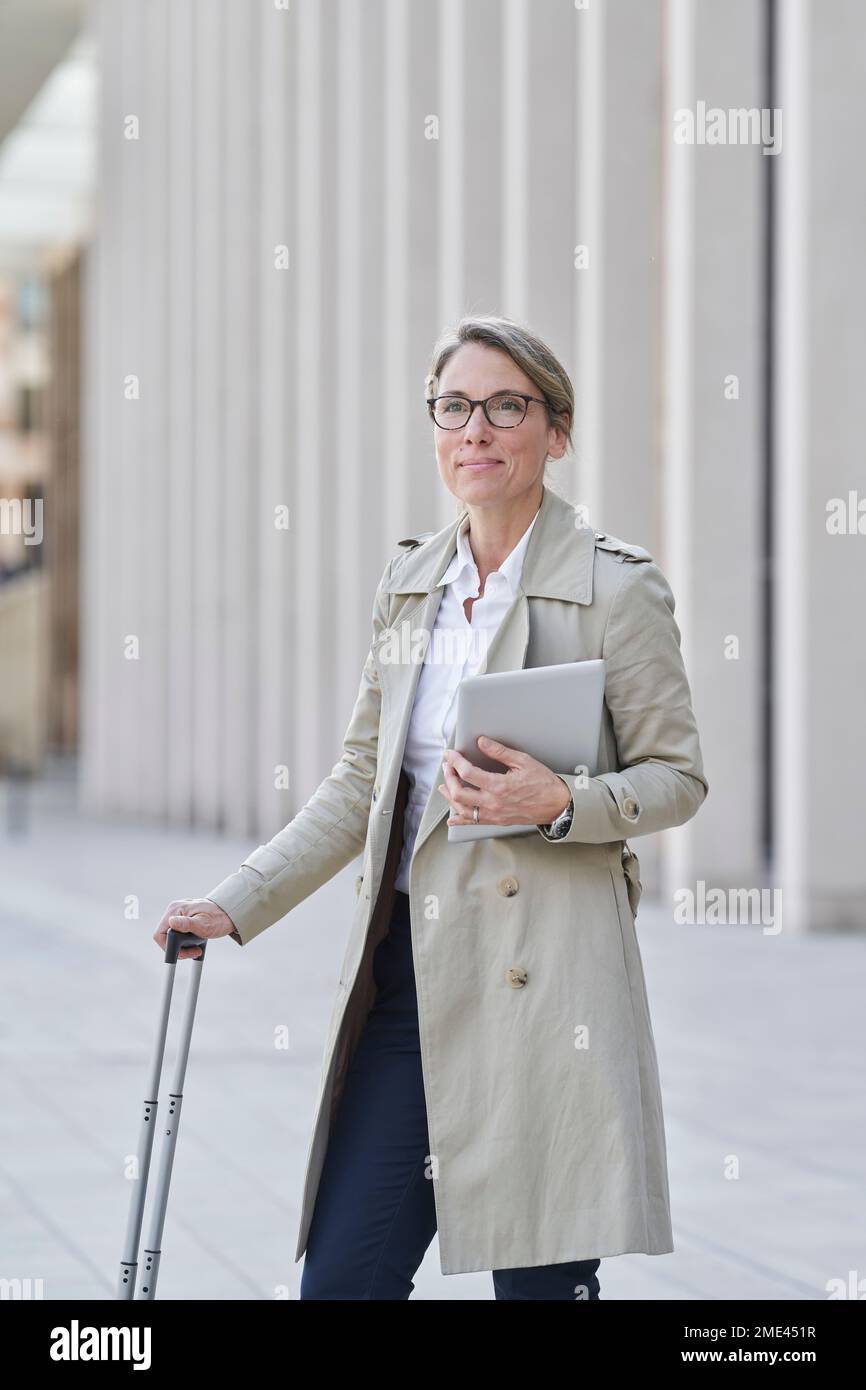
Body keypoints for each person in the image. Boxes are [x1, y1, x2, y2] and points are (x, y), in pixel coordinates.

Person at [154, 314, 709, 1300]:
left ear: (555, 431)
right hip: (409, 986)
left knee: (538, 1295)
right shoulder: (410, 587)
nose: (477, 430)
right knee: (343, 1283)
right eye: (454, 406)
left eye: (506, 406)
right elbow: (360, 783)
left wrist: (561, 801)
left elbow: (675, 778)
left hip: (548, 999)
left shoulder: (615, 591)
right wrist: (232, 903)